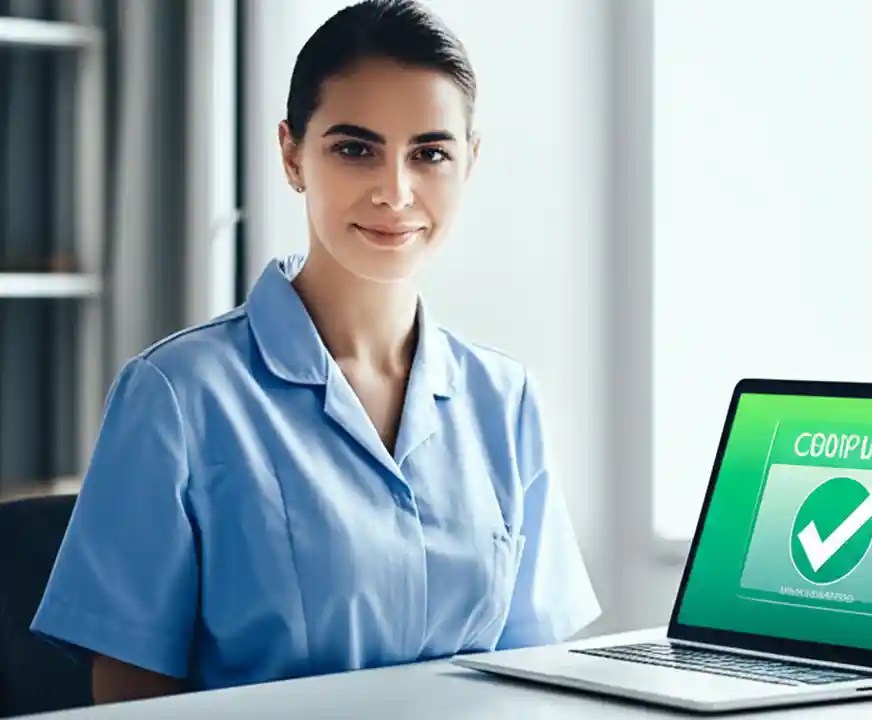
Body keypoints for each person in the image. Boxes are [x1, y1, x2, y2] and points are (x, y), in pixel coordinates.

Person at [30, 0, 599, 704]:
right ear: (293, 154)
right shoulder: (178, 395)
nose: (396, 191)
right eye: (355, 148)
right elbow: (131, 699)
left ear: (469, 162)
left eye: (430, 153)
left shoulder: (505, 400)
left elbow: (538, 675)